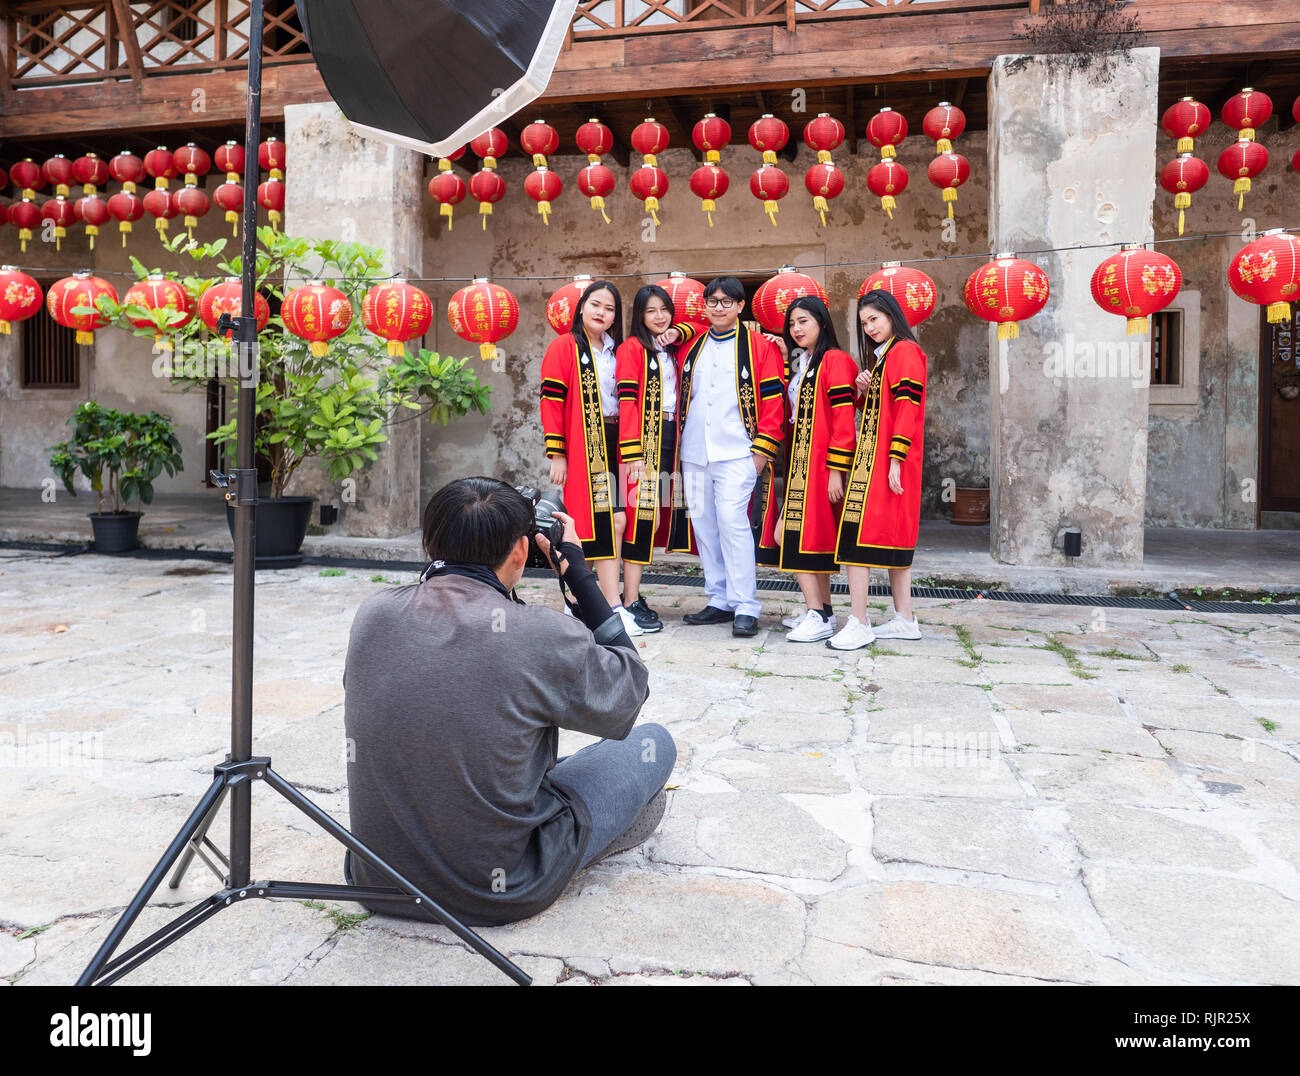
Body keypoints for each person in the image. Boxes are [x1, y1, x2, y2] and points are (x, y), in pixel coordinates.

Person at [342, 477, 676, 927]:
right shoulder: (538, 632)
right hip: (501, 890)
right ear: (521, 551)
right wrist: (578, 573)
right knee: (651, 743)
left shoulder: (374, 613)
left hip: (377, 879)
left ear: (428, 542)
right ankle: (586, 842)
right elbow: (629, 694)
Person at [668, 276, 785, 638]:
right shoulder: (692, 346)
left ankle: (746, 605)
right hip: (694, 451)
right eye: (712, 301)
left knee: (733, 524)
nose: (719, 307)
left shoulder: (760, 347)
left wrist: (761, 453)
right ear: (705, 306)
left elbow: (772, 401)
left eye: (727, 301)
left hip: (738, 452)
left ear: (740, 306)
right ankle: (718, 599)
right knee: (704, 525)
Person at [541, 280, 643, 638]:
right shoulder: (564, 346)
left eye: (610, 308)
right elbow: (551, 401)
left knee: (616, 521)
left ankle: (604, 605)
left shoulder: (621, 350)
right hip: (585, 444)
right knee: (595, 524)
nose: (602, 312)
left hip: (619, 439)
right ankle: (603, 606)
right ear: (581, 307)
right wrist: (558, 454)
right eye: (596, 305)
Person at [829, 289, 928, 650]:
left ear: (892, 316)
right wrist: (863, 390)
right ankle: (905, 618)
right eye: (864, 322)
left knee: (856, 540)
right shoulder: (886, 358)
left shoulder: (902, 351)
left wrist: (895, 461)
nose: (869, 327)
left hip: (883, 464)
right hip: (878, 461)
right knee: (893, 539)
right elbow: (881, 408)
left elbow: (907, 408)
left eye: (875, 319)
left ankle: (859, 621)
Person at [766, 296, 858, 643]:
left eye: (804, 321)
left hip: (821, 464)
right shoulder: (804, 361)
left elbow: (843, 420)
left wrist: (836, 470)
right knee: (811, 538)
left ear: (821, 322)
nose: (797, 329)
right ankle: (823, 611)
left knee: (789, 535)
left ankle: (817, 613)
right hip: (800, 463)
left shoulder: (834, 360)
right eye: (792, 324)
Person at [615, 283, 703, 632]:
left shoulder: (673, 348)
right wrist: (632, 451)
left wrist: (678, 331)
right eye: (651, 311)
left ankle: (631, 595)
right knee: (639, 516)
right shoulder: (632, 348)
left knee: (657, 517)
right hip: (643, 444)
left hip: (675, 441)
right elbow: (628, 402)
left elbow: (702, 327)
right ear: (639, 316)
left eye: (664, 310)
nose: (659, 316)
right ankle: (629, 598)